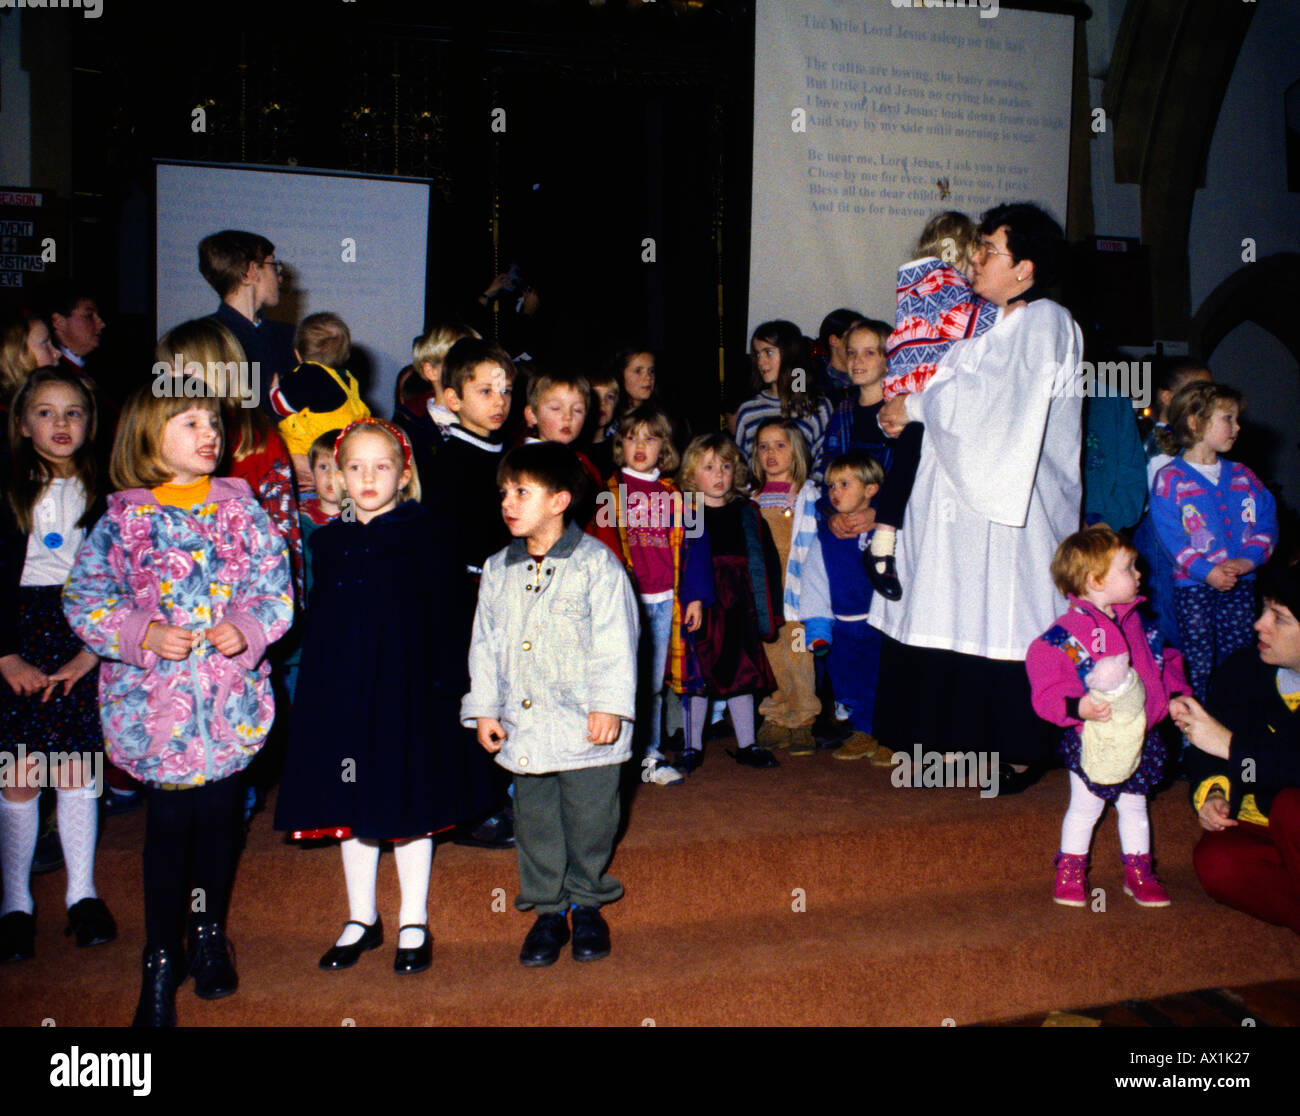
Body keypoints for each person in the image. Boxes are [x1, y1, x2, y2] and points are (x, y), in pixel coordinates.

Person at [62, 380, 293, 1026]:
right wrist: (142, 632)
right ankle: (161, 959)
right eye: (189, 422)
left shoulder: (242, 510)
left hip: (228, 708)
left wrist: (244, 627)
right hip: (157, 715)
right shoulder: (122, 520)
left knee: (221, 825)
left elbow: (275, 590)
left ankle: (208, 932)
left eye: (212, 420)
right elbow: (86, 599)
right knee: (166, 833)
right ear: (147, 437)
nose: (208, 432)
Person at [870, 202, 1084, 793]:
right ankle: (954, 746)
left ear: (1026, 268)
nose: (978, 258)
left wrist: (914, 404)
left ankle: (1016, 750)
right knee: (952, 614)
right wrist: (903, 411)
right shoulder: (981, 335)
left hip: (1011, 517)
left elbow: (993, 404)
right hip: (956, 513)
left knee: (1004, 617)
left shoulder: (1046, 323)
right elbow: (946, 396)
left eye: (990, 248)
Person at [275, 419, 490, 974]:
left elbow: (449, 618)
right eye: (355, 467)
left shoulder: (429, 532)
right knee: (353, 801)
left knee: (406, 800)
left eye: (382, 466)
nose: (368, 478)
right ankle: (361, 917)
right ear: (339, 476)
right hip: (343, 694)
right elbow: (321, 623)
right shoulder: (329, 541)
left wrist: (452, 690)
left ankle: (413, 918)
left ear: (404, 472)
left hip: (408, 692)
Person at [462, 442, 639, 966]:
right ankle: (546, 909)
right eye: (504, 493)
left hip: (588, 727)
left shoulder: (596, 566)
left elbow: (617, 641)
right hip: (528, 727)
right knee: (536, 820)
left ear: (560, 501)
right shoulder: (498, 569)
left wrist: (609, 706)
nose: (508, 503)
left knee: (590, 818)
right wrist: (485, 708)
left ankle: (587, 901)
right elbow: (486, 643)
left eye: (522, 492)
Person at [0, 369, 113, 963]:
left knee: (75, 770)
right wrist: (6, 655)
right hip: (18, 636)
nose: (61, 423)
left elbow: (117, 582)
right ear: (22, 423)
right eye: (45, 412)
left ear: (90, 423)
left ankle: (82, 894)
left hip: (80, 633)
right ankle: (15, 902)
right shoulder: (8, 488)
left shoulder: (105, 490)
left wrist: (92, 650)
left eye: (73, 412)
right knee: (18, 773)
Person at [1026, 527, 1190, 907]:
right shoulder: (1064, 637)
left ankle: (1138, 872)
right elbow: (1045, 684)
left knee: (1134, 806)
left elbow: (1166, 661)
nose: (1139, 575)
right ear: (1095, 580)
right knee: (1086, 807)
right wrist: (1076, 707)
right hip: (1092, 738)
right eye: (1129, 568)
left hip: (1140, 736)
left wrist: (1177, 695)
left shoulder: (1139, 623)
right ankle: (1070, 869)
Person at [864, 211, 999, 600]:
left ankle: (883, 549)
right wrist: (1003, 313)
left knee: (904, 471)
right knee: (907, 473)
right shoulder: (944, 281)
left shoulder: (914, 283)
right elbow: (966, 325)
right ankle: (881, 550)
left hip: (909, 390)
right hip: (922, 394)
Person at [1173, 561, 1300, 934]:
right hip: (1260, 826)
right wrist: (1214, 789)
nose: (1260, 624)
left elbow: (1289, 764)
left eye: (1280, 617)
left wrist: (1229, 745)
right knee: (1218, 862)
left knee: (1292, 807)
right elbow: (1205, 746)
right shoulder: (1245, 668)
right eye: (1264, 609)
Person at [426, 337, 516, 848]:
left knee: (501, 693)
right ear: (454, 398)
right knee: (471, 696)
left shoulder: (506, 454)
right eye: (485, 390)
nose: (499, 400)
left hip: (501, 594)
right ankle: (468, 808)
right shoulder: (448, 457)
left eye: (505, 389)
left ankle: (498, 793)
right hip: (463, 597)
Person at [1149, 382, 1276, 703]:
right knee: (1198, 663)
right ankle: (1196, 737)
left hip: (1240, 584)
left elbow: (1267, 521)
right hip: (1194, 589)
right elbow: (1171, 539)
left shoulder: (1244, 476)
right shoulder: (1171, 479)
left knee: (1240, 661)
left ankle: (1234, 723)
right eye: (1228, 418)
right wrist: (1206, 571)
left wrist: (1248, 560)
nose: (1237, 426)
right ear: (1195, 422)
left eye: (1236, 419)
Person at [669, 433, 783, 771]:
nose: (718, 475)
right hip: (701, 605)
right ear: (691, 474)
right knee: (697, 673)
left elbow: (767, 561)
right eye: (708, 467)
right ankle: (690, 745)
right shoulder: (687, 513)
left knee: (741, 670)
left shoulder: (747, 512)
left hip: (739, 605)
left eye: (725, 466)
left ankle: (748, 743)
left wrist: (770, 608)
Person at [593, 405, 693, 786]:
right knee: (620, 680)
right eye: (631, 437)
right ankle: (615, 756)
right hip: (626, 599)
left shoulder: (677, 494)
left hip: (666, 597)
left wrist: (694, 596)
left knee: (654, 682)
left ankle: (650, 755)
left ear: (664, 447)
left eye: (650, 439)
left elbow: (693, 548)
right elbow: (600, 549)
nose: (640, 446)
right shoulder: (609, 489)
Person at [791, 450, 891, 764]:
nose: (835, 492)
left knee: (883, 678)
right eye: (831, 486)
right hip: (842, 624)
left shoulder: (885, 532)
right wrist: (819, 627)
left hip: (879, 624)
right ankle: (862, 729)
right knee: (847, 678)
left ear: (870, 489)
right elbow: (815, 581)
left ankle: (888, 734)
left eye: (844, 485)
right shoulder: (826, 538)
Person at [749, 419, 822, 755]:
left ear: (795, 451)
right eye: (763, 447)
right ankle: (775, 716)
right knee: (771, 656)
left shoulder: (807, 495)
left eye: (780, 445)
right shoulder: (751, 500)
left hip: (797, 594)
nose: (771, 453)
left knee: (799, 656)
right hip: (766, 598)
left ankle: (803, 718)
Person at [1132, 360, 1213, 647]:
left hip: (1187, 533)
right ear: (1167, 397)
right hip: (1160, 533)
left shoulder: (1193, 441)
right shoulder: (1159, 440)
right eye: (1198, 391)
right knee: (1166, 611)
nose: (1207, 400)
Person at [269, 312, 369, 491]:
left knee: (301, 499)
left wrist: (274, 390)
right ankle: (347, 517)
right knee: (344, 501)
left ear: (297, 354)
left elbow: (282, 406)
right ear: (345, 355)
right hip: (341, 458)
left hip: (307, 456)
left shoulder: (307, 374)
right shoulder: (348, 380)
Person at [197, 229, 297, 409]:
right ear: (252, 272)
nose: (279, 277)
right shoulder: (203, 340)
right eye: (274, 266)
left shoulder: (289, 336)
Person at [734, 320, 833, 475]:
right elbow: (742, 467)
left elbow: (825, 462)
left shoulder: (817, 406)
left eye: (768, 352)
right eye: (757, 354)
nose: (761, 361)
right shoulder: (748, 410)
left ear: (789, 354)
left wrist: (806, 495)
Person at [812, 307, 868, 404]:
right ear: (834, 341)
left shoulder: (873, 376)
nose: (863, 342)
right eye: (856, 336)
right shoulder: (813, 382)